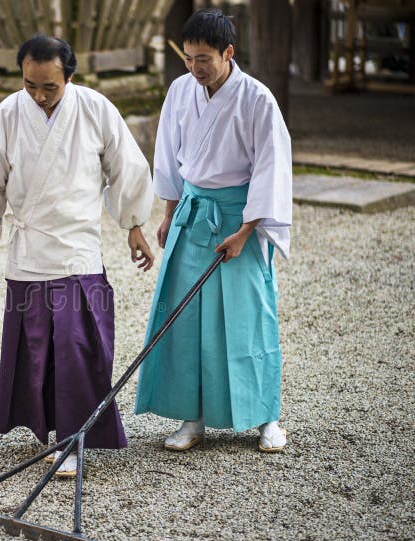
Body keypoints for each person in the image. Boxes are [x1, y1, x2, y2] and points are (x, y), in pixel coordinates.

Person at [0, 34, 155, 478]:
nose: (40, 95)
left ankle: (75, 437)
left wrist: (134, 225)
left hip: (77, 248)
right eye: (31, 85)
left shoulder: (95, 108)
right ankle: (47, 430)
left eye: (50, 87)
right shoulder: (10, 112)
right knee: (36, 351)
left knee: (77, 345)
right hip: (29, 250)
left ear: (70, 76)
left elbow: (126, 166)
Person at [133, 8, 292, 453]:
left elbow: (270, 169)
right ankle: (193, 416)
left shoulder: (258, 99)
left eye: (204, 58)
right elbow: (168, 156)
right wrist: (169, 213)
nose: (194, 67)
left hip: (240, 217)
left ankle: (266, 417)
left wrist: (245, 231)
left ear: (228, 53)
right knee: (187, 318)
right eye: (188, 58)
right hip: (192, 209)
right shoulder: (181, 91)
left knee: (250, 317)